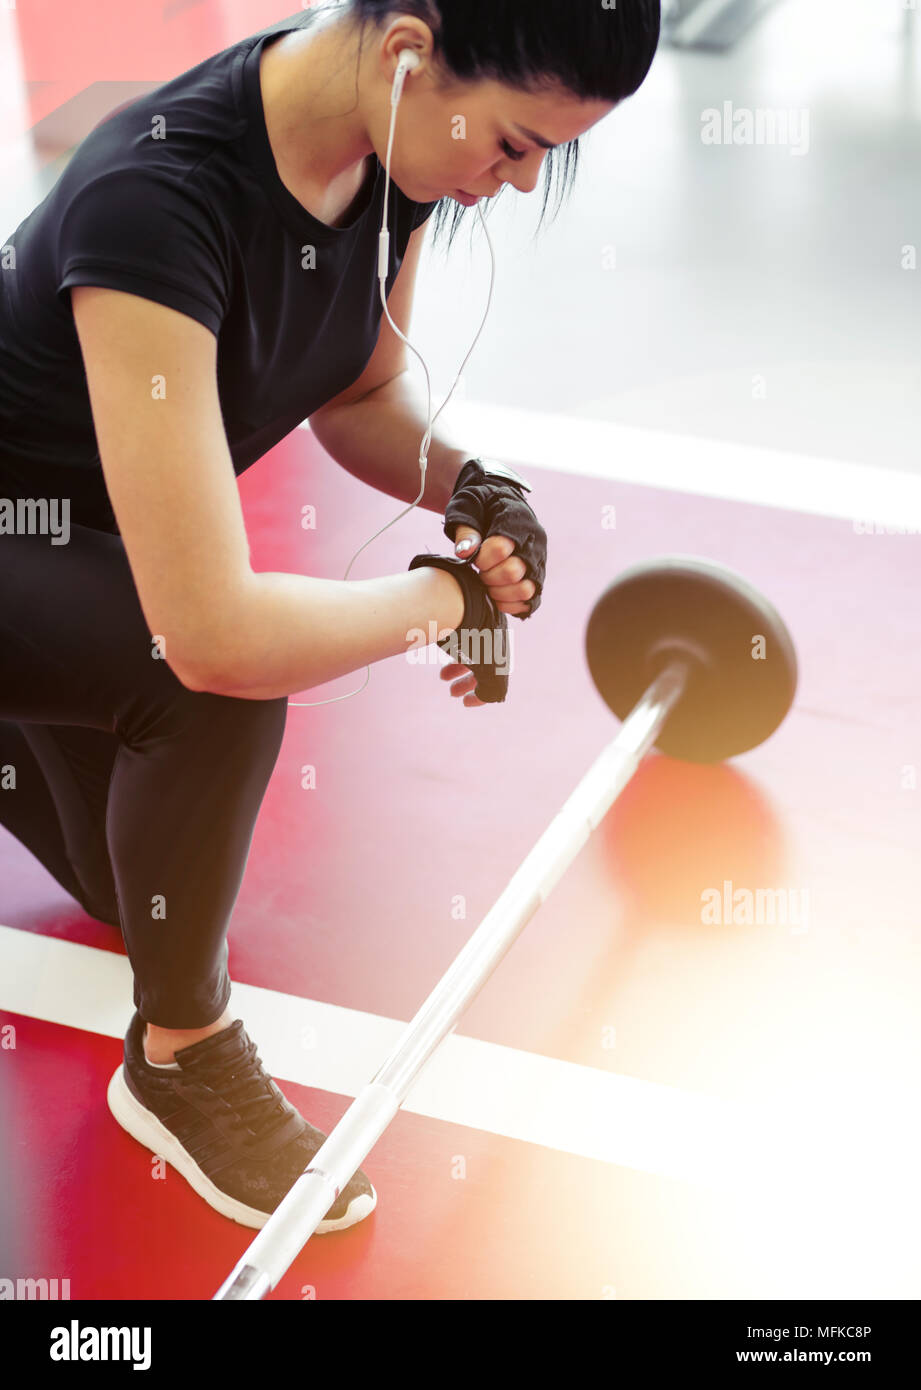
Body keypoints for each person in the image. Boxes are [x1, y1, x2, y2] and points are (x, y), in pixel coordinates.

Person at [0, 1, 660, 1235]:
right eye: (513, 147)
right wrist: (442, 601)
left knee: (122, 881)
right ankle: (181, 1059)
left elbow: (356, 395)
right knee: (199, 691)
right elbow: (212, 635)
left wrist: (474, 487)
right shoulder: (156, 201)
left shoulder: (389, 149)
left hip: (79, 555)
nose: (510, 187)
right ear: (412, 51)